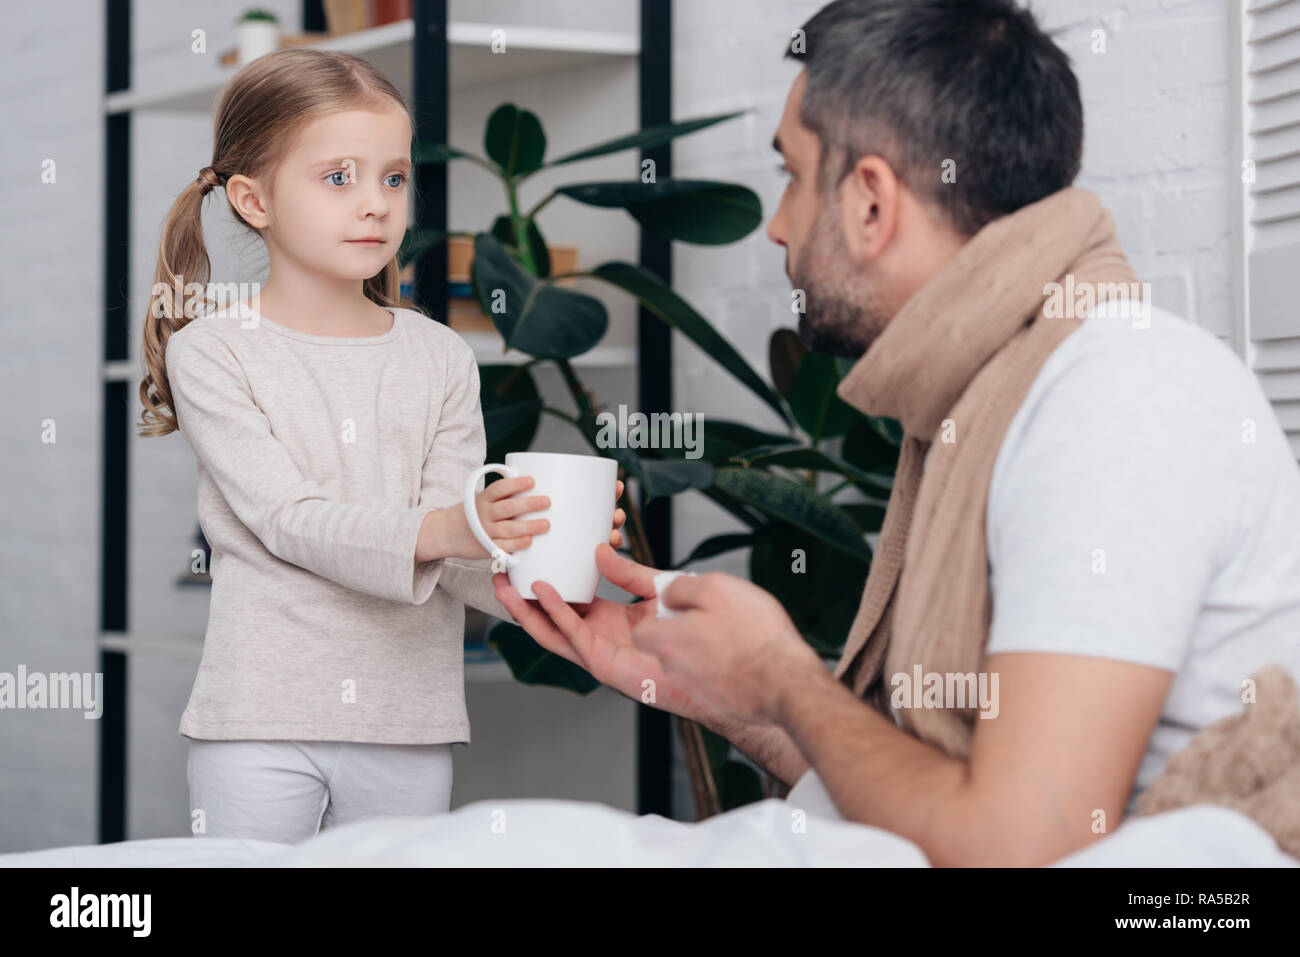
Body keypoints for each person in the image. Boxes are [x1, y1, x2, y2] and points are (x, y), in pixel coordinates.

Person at [493, 0, 1300, 866]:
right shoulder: (990, 391)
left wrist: (786, 677)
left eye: (793, 177)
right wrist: (709, 686)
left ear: (872, 202)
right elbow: (921, 796)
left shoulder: (1116, 396)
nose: (777, 224)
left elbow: (1018, 842)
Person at [136, 49, 624, 843]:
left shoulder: (440, 356)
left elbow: (455, 558)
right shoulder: (215, 352)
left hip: (408, 721)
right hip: (260, 720)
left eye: (393, 179)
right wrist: (451, 528)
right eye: (339, 178)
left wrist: (533, 550)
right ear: (251, 200)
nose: (374, 205)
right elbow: (289, 518)